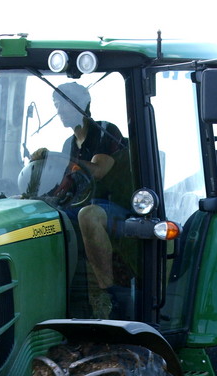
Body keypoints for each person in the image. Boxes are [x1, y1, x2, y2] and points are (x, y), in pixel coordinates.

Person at [44, 82, 134, 318]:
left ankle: (110, 295)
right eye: (56, 106)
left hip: (118, 207)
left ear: (81, 105)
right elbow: (65, 186)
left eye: (62, 105)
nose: (59, 112)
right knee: (47, 218)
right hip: (80, 204)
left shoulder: (105, 131)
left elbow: (99, 171)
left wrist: (61, 159)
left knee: (88, 215)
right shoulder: (69, 144)